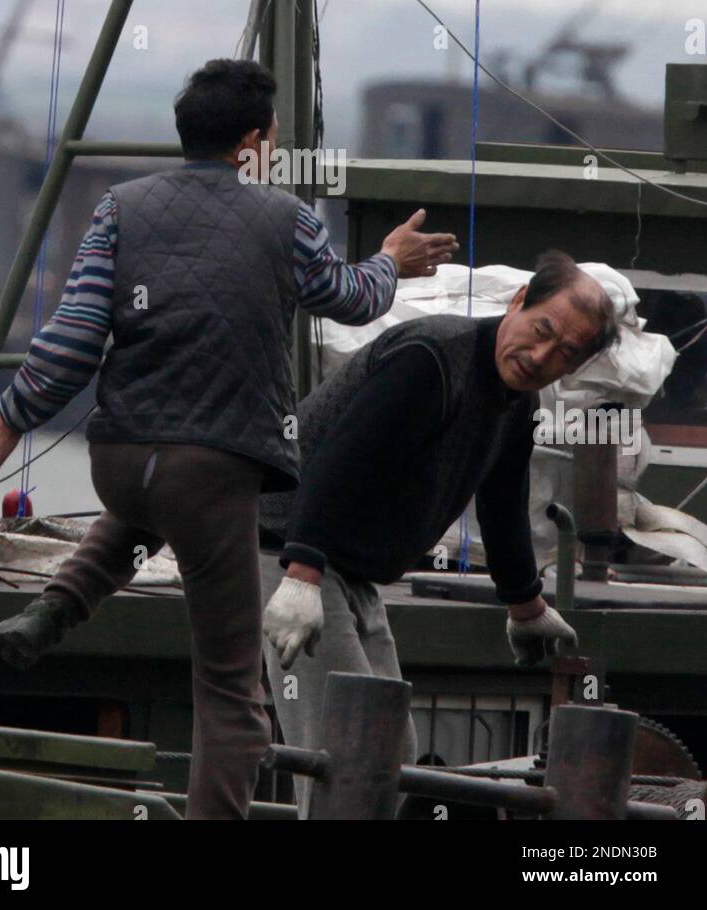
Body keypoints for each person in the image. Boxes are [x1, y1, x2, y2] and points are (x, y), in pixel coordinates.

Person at [0, 58, 457, 821]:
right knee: (228, 693)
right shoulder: (287, 218)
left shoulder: (119, 208)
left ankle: (58, 604)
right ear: (252, 141)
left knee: (160, 502)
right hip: (213, 470)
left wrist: (7, 420)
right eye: (273, 138)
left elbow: (76, 336)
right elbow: (350, 301)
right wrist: (392, 261)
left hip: (119, 464)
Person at [261, 251, 619, 816]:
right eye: (541, 330)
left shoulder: (516, 402)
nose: (540, 356)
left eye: (564, 354)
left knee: (390, 746)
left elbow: (503, 502)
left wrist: (525, 604)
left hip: (350, 567)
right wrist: (301, 572)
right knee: (344, 743)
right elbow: (341, 460)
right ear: (518, 301)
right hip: (288, 546)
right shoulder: (430, 360)